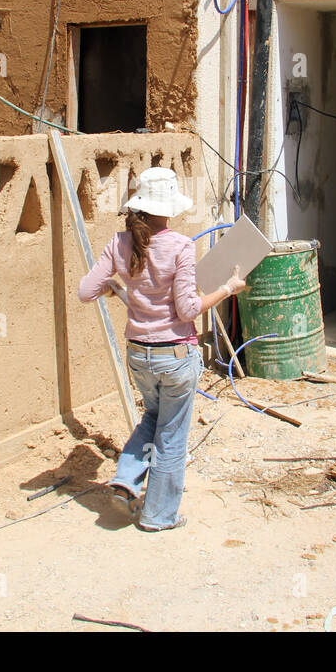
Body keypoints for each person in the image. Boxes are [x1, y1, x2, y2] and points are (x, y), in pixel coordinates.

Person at [77, 167, 247, 532]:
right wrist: (229, 288)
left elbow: (85, 291)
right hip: (175, 356)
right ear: (168, 206)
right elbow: (187, 310)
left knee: (153, 420)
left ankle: (126, 477)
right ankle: (158, 516)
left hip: (139, 354)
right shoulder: (181, 246)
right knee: (171, 435)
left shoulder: (119, 243)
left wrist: (117, 289)